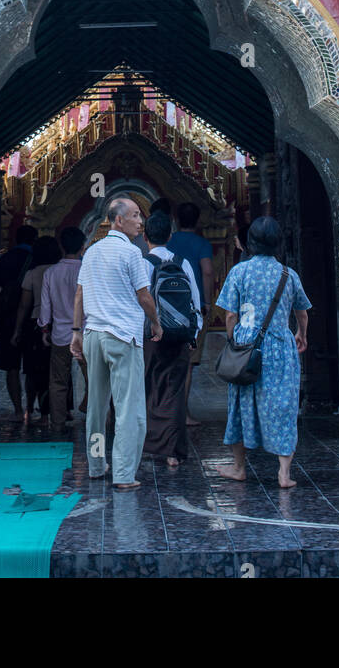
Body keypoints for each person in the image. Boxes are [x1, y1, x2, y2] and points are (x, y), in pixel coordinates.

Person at [71, 198, 163, 491]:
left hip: (93, 335)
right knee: (128, 408)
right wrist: (156, 322)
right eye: (135, 215)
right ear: (118, 220)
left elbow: (79, 294)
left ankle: (97, 465)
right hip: (123, 336)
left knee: (97, 408)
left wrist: (76, 331)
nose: (141, 222)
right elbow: (144, 296)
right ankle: (124, 473)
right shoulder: (132, 253)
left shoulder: (92, 252)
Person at [216, 216, 311, 489]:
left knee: (241, 403)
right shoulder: (288, 275)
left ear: (251, 242)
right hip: (280, 346)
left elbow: (230, 315)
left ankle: (238, 467)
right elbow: (302, 312)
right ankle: (284, 473)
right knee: (283, 405)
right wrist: (301, 334)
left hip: (247, 346)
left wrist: (233, 340)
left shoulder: (239, 272)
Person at [142, 211, 202, 468]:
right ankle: (172, 452)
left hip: (151, 337)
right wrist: (193, 334)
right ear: (169, 236)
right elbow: (195, 302)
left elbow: (138, 304)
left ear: (145, 237)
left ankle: (150, 444)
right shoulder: (183, 263)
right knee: (175, 392)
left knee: (149, 388)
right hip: (179, 335)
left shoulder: (142, 264)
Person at [38, 227, 89, 435]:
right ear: (83, 246)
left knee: (58, 382)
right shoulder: (87, 271)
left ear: (62, 246)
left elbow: (45, 307)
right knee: (94, 379)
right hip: (86, 334)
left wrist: (44, 329)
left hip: (60, 335)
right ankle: (98, 420)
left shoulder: (51, 273)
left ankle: (57, 424)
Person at [169, 202, 215, 425]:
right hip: (192, 308)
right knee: (187, 361)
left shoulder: (169, 241)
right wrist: (207, 302)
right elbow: (207, 271)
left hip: (167, 306)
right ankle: (182, 413)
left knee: (168, 359)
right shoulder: (201, 244)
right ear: (197, 222)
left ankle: (165, 410)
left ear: (177, 220)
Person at [0, 224, 37, 417]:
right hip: (33, 319)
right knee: (32, 368)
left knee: (11, 367)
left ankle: (17, 409)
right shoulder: (36, 259)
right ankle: (30, 407)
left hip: (7, 318)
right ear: (34, 240)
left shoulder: (5, 259)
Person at [12, 235, 62, 423]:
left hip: (36, 324)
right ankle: (59, 410)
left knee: (34, 370)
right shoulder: (59, 271)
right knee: (58, 369)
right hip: (59, 323)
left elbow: (24, 305)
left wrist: (17, 330)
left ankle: (34, 409)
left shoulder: (32, 274)